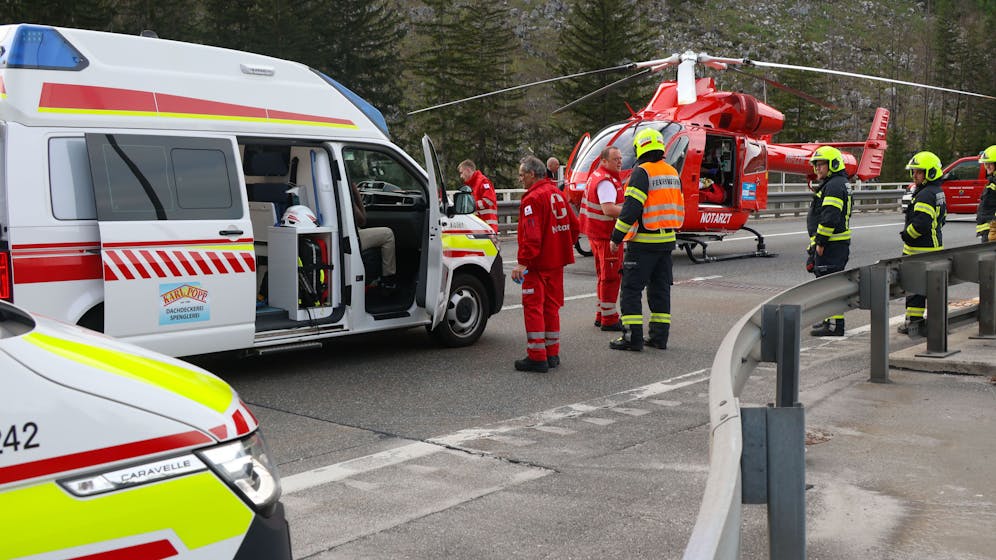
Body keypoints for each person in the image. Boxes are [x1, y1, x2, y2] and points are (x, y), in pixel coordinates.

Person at [608, 128, 684, 351]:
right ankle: (659, 338)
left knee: (631, 290)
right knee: (660, 291)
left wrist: (616, 237)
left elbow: (630, 209)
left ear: (640, 148)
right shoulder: (672, 172)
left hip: (643, 243)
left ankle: (633, 338)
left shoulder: (642, 173)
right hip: (667, 241)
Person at [511, 155, 579, 372]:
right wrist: (559, 245)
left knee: (533, 307)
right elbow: (575, 226)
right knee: (551, 308)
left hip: (538, 264)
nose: (521, 179)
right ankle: (552, 353)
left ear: (532, 174)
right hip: (555, 263)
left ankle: (537, 356)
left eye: (522, 175)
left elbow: (532, 236)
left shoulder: (532, 199)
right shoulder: (557, 193)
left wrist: (523, 263)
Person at [805, 146, 853, 336]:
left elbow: (830, 217)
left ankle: (834, 325)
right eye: (815, 164)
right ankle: (829, 320)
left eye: (821, 164)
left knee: (830, 285)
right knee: (827, 284)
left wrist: (821, 242)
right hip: (834, 243)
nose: (817, 168)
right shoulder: (836, 182)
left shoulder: (834, 185)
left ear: (832, 164)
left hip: (832, 244)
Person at [898, 151, 947, 334]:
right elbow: (942, 218)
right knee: (924, 288)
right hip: (932, 247)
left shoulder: (925, 194)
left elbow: (922, 223)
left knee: (914, 288)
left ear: (930, 173)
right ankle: (919, 322)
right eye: (914, 172)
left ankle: (914, 323)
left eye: (919, 172)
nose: (914, 175)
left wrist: (906, 235)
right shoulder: (937, 192)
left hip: (918, 250)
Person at [579, 146, 625, 331]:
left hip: (596, 234)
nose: (620, 161)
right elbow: (608, 209)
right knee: (611, 278)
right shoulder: (606, 181)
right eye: (616, 159)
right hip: (607, 236)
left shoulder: (597, 176)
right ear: (604, 161)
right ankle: (609, 319)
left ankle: (601, 314)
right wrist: (632, 212)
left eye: (621, 158)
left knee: (603, 276)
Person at [350, 181, 398, 290]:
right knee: (387, 234)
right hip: (350, 238)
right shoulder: (343, 194)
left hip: (347, 234)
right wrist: (355, 193)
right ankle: (388, 281)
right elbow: (362, 220)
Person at [458, 160, 499, 233]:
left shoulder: (483, 181)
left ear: (468, 170)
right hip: (480, 226)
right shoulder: (471, 185)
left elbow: (489, 201)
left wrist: (471, 205)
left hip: (487, 227)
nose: (461, 176)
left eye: (462, 172)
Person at [975, 145, 996, 242]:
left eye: (990, 163)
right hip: (987, 230)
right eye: (986, 163)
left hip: (992, 231)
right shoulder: (992, 180)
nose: (987, 166)